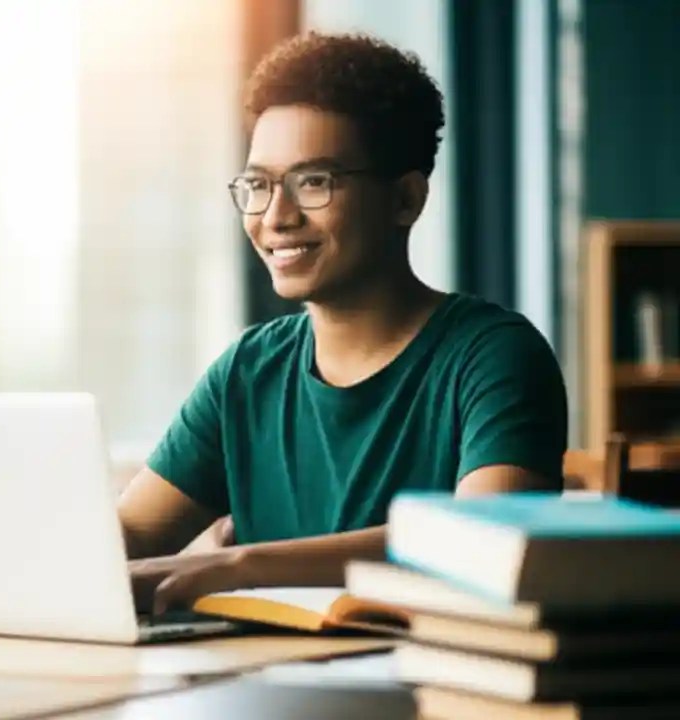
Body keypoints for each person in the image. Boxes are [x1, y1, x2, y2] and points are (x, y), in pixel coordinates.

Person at [119, 32, 568, 614]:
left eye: (313, 182)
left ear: (406, 200)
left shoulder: (493, 355)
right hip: (261, 686)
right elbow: (129, 534)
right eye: (258, 185)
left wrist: (242, 564)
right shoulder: (247, 371)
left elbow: (483, 544)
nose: (276, 217)